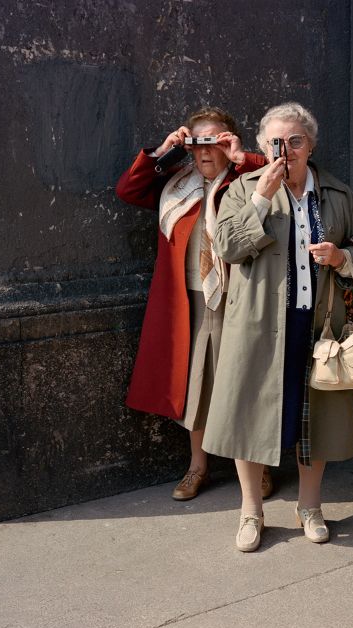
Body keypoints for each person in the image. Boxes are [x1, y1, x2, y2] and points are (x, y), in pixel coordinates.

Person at [203, 102, 353, 551]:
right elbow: (226, 247)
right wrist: (262, 198)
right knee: (248, 416)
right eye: (277, 142)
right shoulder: (243, 190)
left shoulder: (338, 194)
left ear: (311, 145)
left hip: (319, 324)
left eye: (296, 140)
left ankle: (310, 507)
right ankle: (250, 511)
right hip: (256, 324)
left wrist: (342, 257)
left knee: (314, 419)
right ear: (264, 148)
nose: (287, 150)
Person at [115, 107, 273, 501]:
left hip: (239, 299)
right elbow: (128, 190)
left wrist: (241, 156)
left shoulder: (246, 180)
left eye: (214, 141)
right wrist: (164, 152)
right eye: (198, 142)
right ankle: (197, 466)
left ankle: (258, 468)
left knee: (244, 382)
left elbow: (282, 178)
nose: (205, 151)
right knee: (195, 387)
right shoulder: (177, 184)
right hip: (189, 302)